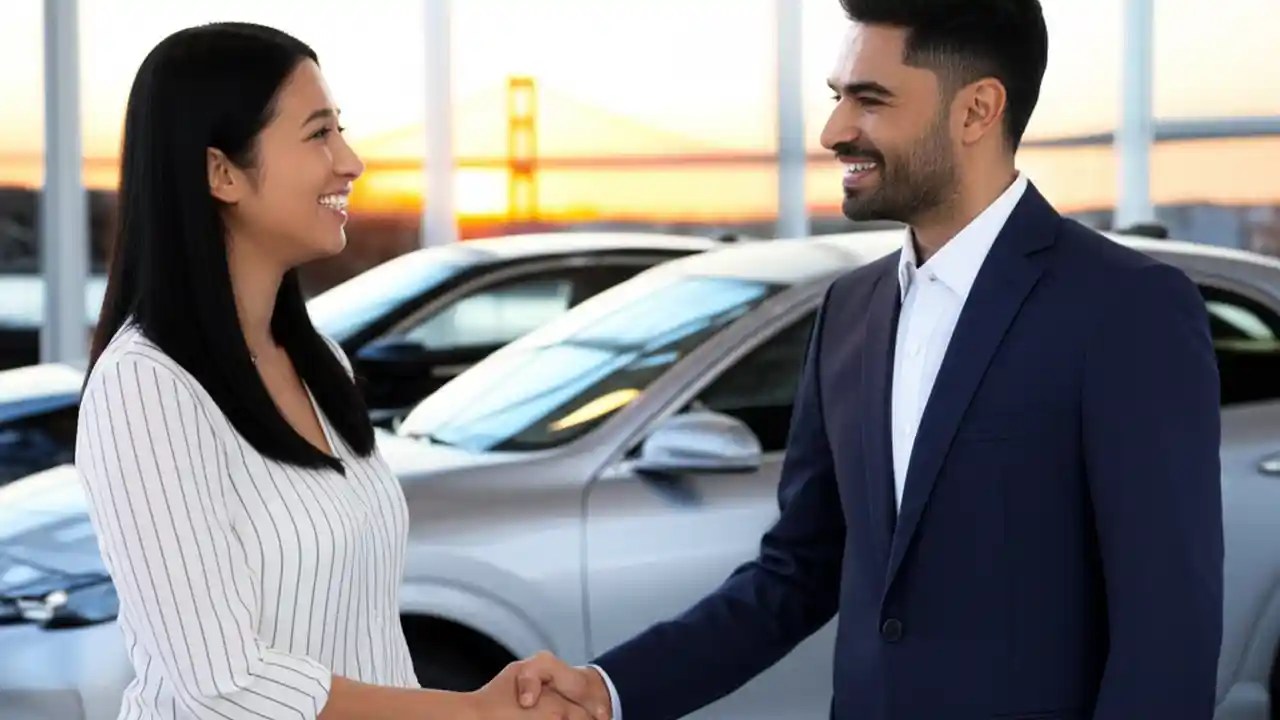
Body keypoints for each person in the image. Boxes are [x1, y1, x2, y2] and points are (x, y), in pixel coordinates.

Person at [512, 0, 1225, 718]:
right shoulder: (849, 310)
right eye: (837, 96)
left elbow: (1169, 636)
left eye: (870, 100)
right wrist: (609, 691)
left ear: (977, 110)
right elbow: (796, 573)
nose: (833, 131)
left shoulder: (1127, 309)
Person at [76, 22, 595, 720]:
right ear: (220, 173)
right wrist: (470, 713)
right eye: (319, 133)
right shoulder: (145, 388)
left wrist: (474, 707)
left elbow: (367, 640)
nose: (349, 162)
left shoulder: (320, 363)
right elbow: (223, 681)